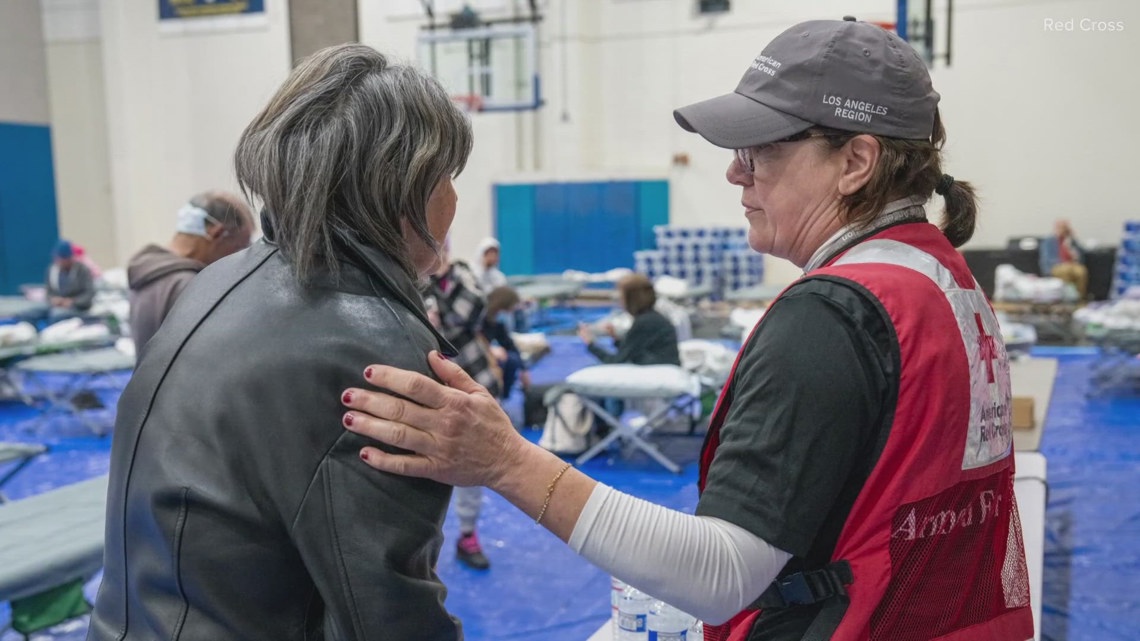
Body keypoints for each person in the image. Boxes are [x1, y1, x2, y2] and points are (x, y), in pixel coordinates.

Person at [340, 17, 1033, 641]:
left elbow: (721, 573)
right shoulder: (942, 281)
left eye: (760, 148)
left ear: (855, 161)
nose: (735, 171)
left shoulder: (832, 317)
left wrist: (505, 460)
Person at [89, 44, 471, 640]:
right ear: (408, 187)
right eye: (449, 176)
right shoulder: (372, 344)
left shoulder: (219, 278)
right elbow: (388, 614)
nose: (454, 198)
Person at [425, 242, 500, 570]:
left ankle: (467, 535)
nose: (438, 249)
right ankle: (422, 547)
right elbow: (430, 331)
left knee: (472, 465)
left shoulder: (463, 275)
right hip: (430, 390)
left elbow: (466, 318)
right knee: (425, 471)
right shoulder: (410, 282)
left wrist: (441, 285)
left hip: (472, 384)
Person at [127, 191, 254, 358]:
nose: (239, 257)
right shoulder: (190, 286)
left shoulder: (148, 271)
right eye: (240, 247)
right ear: (216, 234)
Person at [577, 273, 680, 367]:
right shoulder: (651, 318)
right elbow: (633, 350)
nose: (619, 300)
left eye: (621, 296)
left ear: (631, 299)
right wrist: (616, 339)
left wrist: (591, 344)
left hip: (661, 369)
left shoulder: (645, 322)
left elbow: (617, 361)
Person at [483, 285, 531, 399]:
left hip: (488, 353)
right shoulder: (479, 317)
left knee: (512, 359)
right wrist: (489, 350)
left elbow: (509, 344)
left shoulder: (497, 323)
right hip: (475, 353)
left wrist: (524, 369)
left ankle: (501, 399)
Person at [44, 240, 96, 321]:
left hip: (78, 308)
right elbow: (48, 292)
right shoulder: (52, 271)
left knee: (56, 315)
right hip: (56, 306)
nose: (58, 261)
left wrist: (72, 302)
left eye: (60, 259)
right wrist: (53, 300)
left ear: (68, 258)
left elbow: (89, 294)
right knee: (33, 313)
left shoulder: (82, 270)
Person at [1039, 218, 1088, 300]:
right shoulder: (1049, 241)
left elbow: (1081, 256)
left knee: (1081, 271)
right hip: (1056, 266)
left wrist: (1072, 239)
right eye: (1061, 227)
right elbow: (1047, 258)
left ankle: (1080, 298)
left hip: (1072, 265)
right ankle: (1067, 298)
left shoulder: (1071, 241)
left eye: (1065, 228)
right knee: (1066, 271)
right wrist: (1063, 263)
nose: (1063, 230)